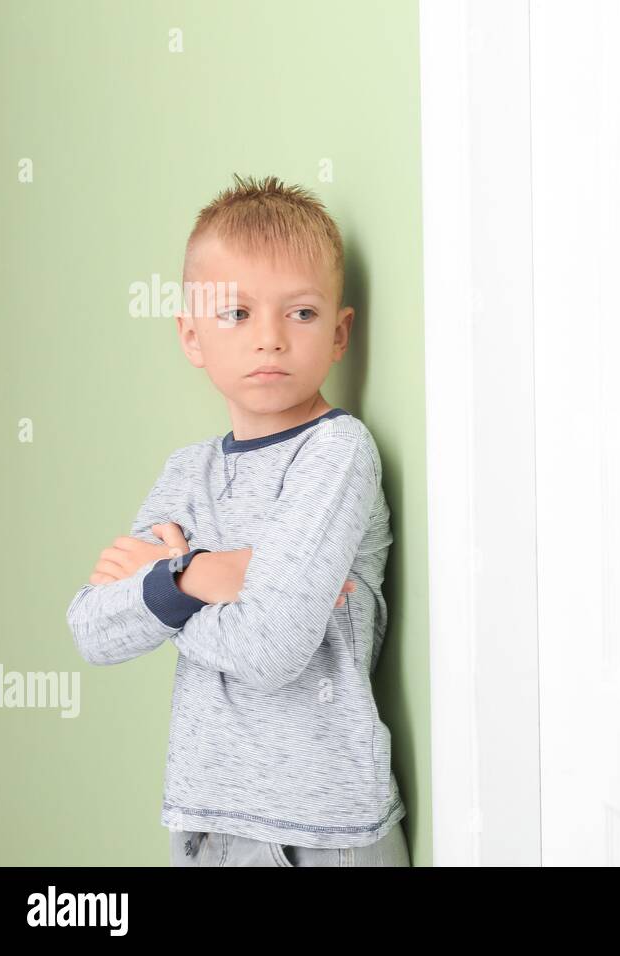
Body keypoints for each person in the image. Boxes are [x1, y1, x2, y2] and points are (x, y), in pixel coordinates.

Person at [66, 174, 409, 866]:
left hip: (316, 831)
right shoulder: (188, 472)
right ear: (192, 336)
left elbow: (273, 648)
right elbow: (94, 628)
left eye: (302, 314)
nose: (270, 340)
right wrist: (210, 579)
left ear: (340, 333)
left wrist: (171, 578)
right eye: (237, 314)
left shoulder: (336, 453)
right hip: (204, 824)